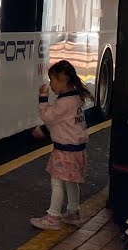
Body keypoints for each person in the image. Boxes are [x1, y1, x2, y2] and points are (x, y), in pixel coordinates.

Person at [29, 60, 92, 230]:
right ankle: (73, 211)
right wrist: (44, 130)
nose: (51, 84)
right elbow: (63, 123)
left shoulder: (64, 102)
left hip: (65, 150)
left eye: (52, 80)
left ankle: (53, 217)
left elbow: (49, 117)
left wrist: (43, 99)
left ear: (63, 79)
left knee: (57, 182)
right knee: (71, 181)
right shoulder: (77, 98)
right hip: (77, 149)